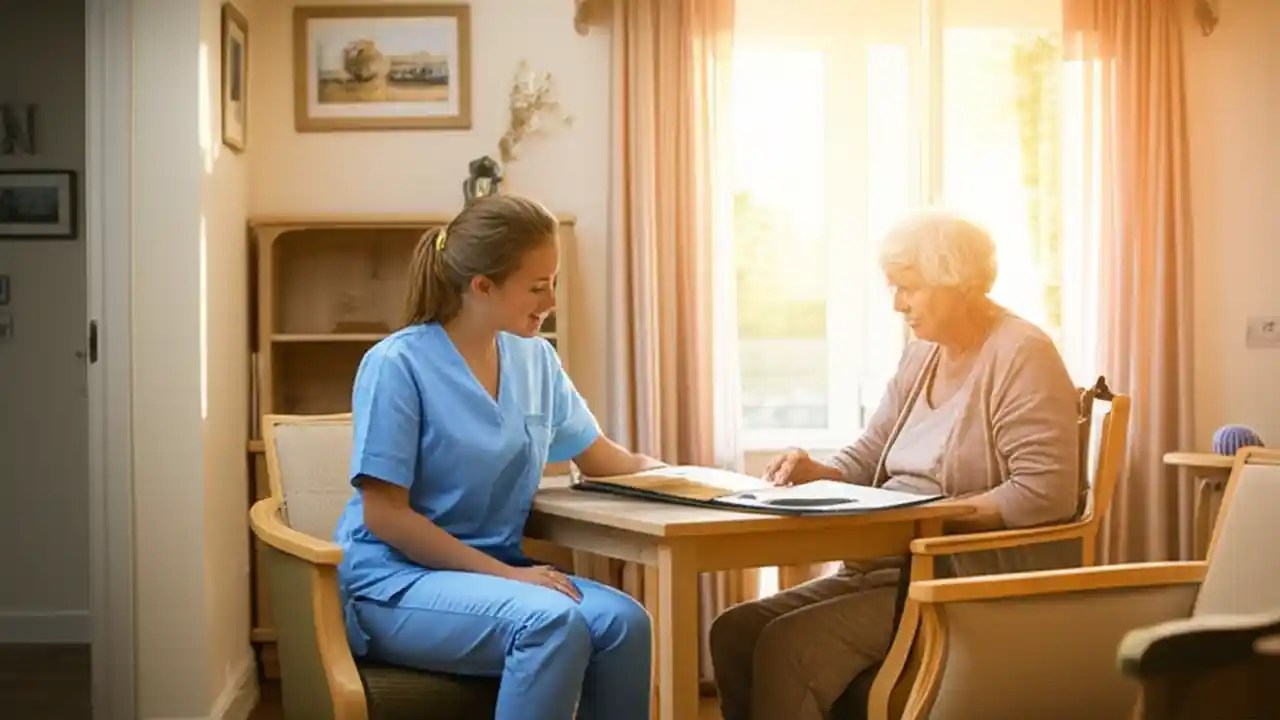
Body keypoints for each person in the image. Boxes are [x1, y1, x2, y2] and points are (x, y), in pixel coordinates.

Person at [709, 210, 1083, 720]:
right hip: (888, 565)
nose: (897, 304)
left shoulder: (1022, 353)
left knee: (785, 646)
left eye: (910, 288)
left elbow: (1046, 492)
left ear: (957, 282)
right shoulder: (921, 354)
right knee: (735, 629)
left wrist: (933, 518)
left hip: (960, 577)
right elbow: (870, 452)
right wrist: (817, 472)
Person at [334, 195, 661, 720]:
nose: (551, 299)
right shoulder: (396, 365)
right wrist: (507, 578)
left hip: (498, 576)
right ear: (481, 286)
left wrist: (694, 480)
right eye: (537, 286)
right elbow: (384, 514)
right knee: (550, 622)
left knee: (626, 624)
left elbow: (603, 459)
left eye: (553, 281)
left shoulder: (537, 360)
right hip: (395, 584)